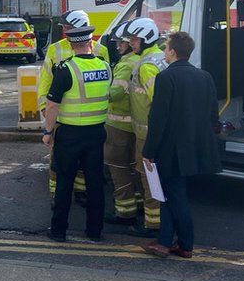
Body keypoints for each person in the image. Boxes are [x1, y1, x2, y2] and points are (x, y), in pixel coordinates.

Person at [140, 32, 220, 259]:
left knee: (174, 194)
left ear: (173, 52)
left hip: (171, 148)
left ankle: (184, 244)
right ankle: (166, 241)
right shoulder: (204, 76)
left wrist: (149, 151)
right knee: (169, 194)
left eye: (165, 48)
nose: (163, 52)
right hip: (196, 144)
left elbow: (158, 119)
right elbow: (212, 114)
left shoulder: (166, 78)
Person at [42, 22, 110, 243]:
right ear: (91, 43)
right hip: (97, 133)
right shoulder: (105, 67)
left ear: (71, 45)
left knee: (64, 182)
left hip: (70, 134)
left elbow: (52, 106)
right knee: (95, 183)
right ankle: (95, 232)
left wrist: (48, 131)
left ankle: (59, 231)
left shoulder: (66, 69)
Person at [125, 17, 167, 237]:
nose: (131, 42)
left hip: (147, 132)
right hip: (153, 131)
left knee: (148, 177)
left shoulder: (147, 66)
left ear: (147, 38)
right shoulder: (159, 57)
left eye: (134, 38)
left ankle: (153, 225)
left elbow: (158, 101)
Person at [104, 21, 142, 226]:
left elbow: (115, 94)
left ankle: (125, 213)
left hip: (119, 126)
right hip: (135, 125)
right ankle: (138, 204)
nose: (118, 47)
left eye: (121, 43)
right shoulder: (141, 60)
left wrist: (99, 92)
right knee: (134, 169)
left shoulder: (126, 64)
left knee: (117, 167)